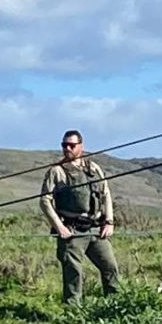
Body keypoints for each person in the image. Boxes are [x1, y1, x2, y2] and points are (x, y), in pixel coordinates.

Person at [40, 130, 120, 304]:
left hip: (96, 228)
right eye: (64, 145)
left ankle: (116, 306)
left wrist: (109, 221)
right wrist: (59, 227)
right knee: (73, 273)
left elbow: (106, 193)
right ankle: (73, 314)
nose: (67, 148)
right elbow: (45, 201)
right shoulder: (56, 171)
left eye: (71, 145)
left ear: (81, 147)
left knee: (110, 267)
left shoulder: (93, 168)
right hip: (72, 230)